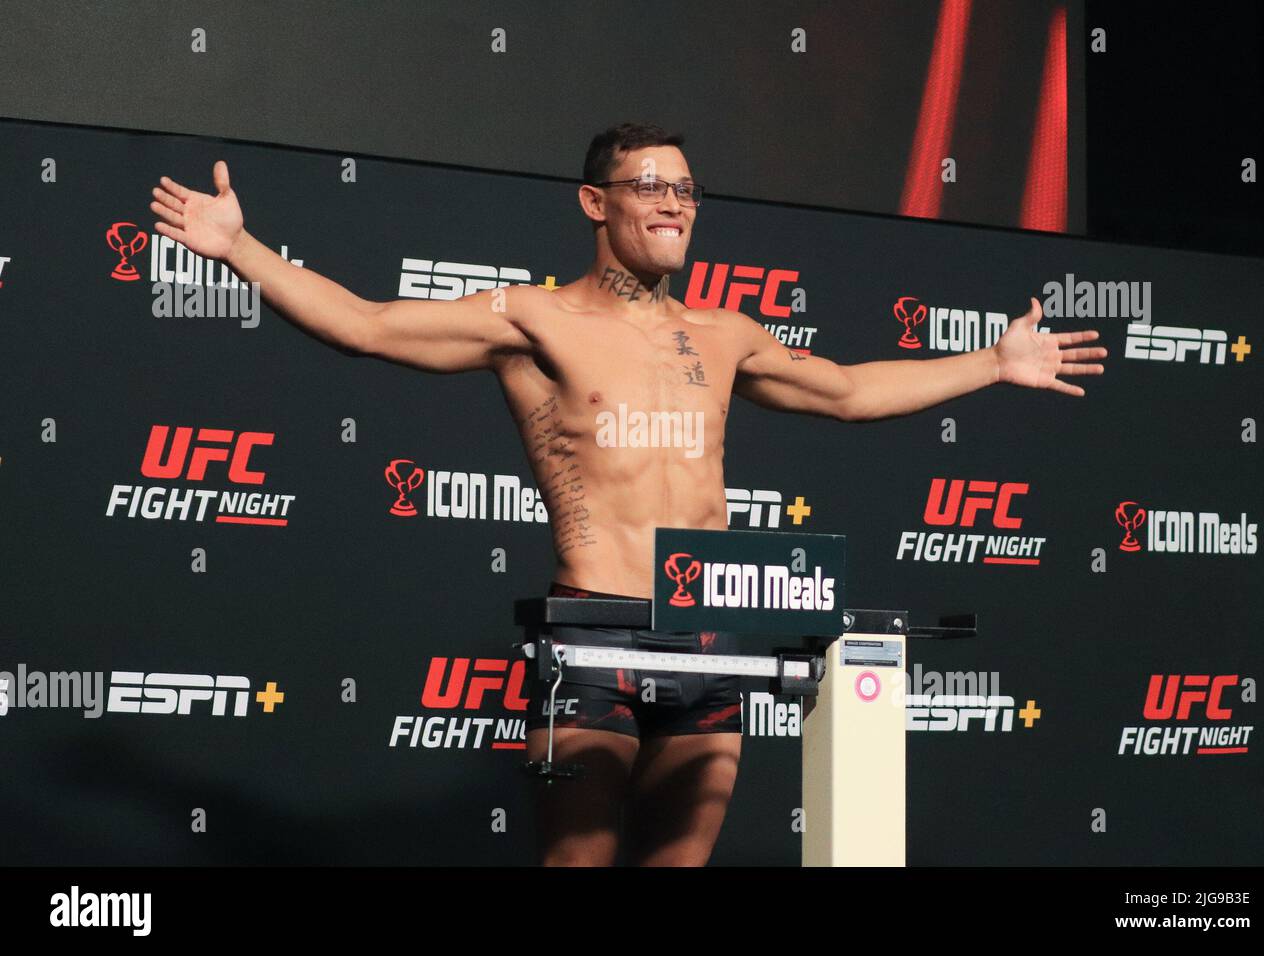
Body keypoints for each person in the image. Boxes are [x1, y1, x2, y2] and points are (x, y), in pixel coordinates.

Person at [149, 122, 1105, 866]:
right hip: (593, 638)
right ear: (593, 202)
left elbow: (851, 392)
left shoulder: (725, 334)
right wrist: (240, 250)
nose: (675, 203)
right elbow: (363, 325)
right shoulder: (534, 318)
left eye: (686, 190)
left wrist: (992, 361)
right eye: (651, 185)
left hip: (714, 645)